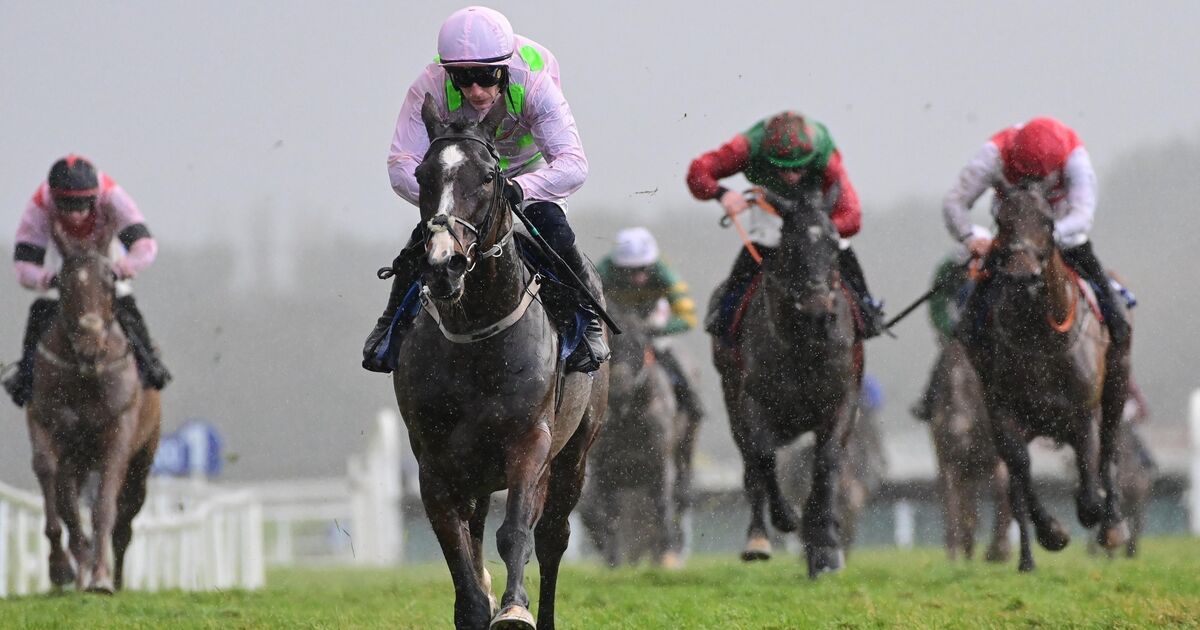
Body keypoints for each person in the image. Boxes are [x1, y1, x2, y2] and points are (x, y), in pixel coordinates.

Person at [362, 5, 607, 374]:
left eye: (486, 76)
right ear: (449, 72)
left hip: (527, 175)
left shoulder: (534, 84)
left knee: (552, 230)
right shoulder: (429, 85)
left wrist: (518, 189)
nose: (475, 91)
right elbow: (400, 164)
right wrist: (445, 197)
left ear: (504, 68)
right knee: (425, 237)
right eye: (463, 78)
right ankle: (390, 325)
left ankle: (586, 319)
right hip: (462, 184)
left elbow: (573, 165)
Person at [686, 111, 884, 341]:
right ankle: (725, 318)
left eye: (798, 169)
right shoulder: (746, 145)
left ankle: (868, 309)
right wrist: (721, 194)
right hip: (771, 206)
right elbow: (698, 171)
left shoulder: (825, 153)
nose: (791, 176)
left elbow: (852, 216)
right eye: (782, 168)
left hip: (814, 209)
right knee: (760, 245)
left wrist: (818, 230)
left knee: (842, 247)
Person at [944, 116, 1129, 346]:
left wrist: (1045, 237)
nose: (1032, 185)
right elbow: (954, 202)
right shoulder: (993, 155)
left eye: (1040, 179)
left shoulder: (1076, 158)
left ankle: (1120, 369)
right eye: (1024, 177)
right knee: (971, 322)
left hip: (1063, 237)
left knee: (1118, 318)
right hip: (1011, 241)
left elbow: (1082, 215)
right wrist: (969, 238)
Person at [3, 155, 171, 407]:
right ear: (53, 198)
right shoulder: (40, 203)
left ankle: (149, 362)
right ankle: (25, 378)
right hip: (63, 261)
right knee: (41, 308)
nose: (75, 215)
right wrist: (47, 279)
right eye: (66, 206)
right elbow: (23, 265)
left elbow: (145, 246)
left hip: (106, 257)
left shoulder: (113, 195)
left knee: (124, 300)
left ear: (95, 197)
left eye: (82, 205)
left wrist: (122, 269)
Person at [596, 227, 705, 423]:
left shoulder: (664, 273)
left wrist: (654, 330)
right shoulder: (603, 270)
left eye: (643, 269)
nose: (638, 277)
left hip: (651, 321)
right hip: (616, 323)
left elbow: (688, 318)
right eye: (630, 270)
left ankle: (690, 401)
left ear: (651, 264)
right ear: (617, 266)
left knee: (665, 351)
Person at [908, 235, 984, 421]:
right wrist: (950, 329)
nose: (970, 271)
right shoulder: (950, 268)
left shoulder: (996, 266)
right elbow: (938, 305)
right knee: (947, 359)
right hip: (960, 330)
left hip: (988, 331)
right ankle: (929, 399)